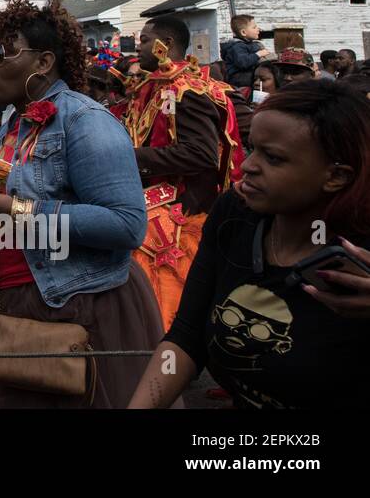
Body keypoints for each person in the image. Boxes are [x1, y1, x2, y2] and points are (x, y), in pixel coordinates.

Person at [0, 0, 161, 408]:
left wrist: (19, 210)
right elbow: (6, 207)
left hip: (71, 307)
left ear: (43, 63)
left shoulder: (86, 121)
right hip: (4, 303)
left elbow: (126, 225)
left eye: (1, 53)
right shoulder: (14, 120)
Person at [129, 80, 370, 408]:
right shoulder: (235, 216)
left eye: (273, 159)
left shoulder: (360, 261)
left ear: (336, 176)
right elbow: (187, 336)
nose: (247, 167)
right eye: (252, 147)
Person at [111, 16, 244, 331]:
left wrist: (127, 158)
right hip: (153, 200)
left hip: (180, 210)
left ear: (165, 45)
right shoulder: (158, 85)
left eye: (144, 40)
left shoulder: (186, 89)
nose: (139, 47)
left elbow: (201, 153)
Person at [221, 15, 271, 92]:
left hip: (248, 74)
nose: (258, 29)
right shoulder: (237, 47)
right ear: (243, 32)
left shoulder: (251, 44)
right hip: (239, 77)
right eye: (254, 27)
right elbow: (243, 62)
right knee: (259, 80)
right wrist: (258, 54)